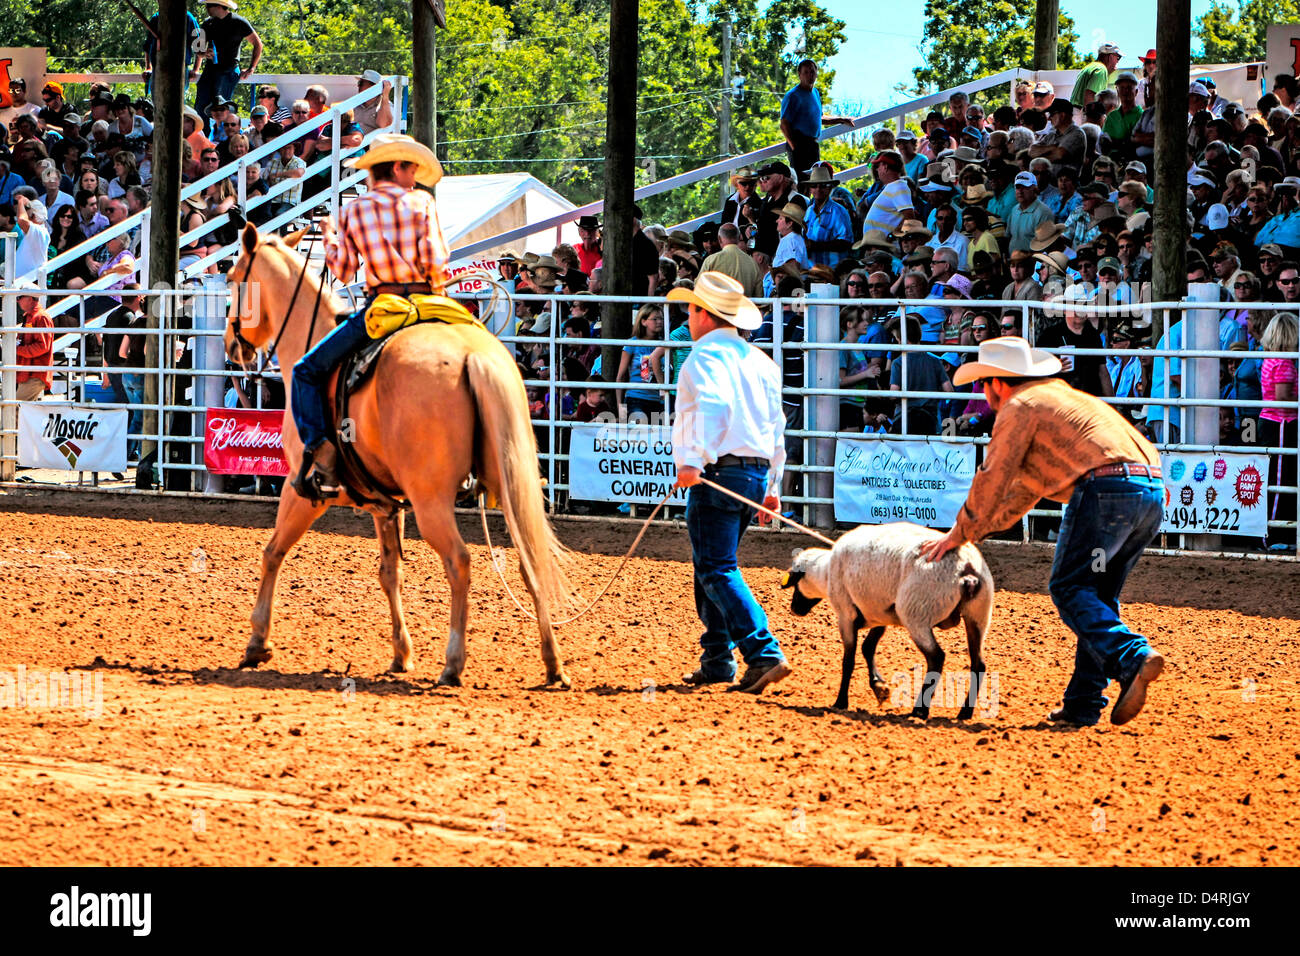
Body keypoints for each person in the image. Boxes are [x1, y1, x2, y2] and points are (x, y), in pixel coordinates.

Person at [922, 336, 1166, 727]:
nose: (982, 394)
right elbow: (1020, 493)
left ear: (998, 383)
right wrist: (972, 532)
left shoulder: (1020, 407)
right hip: (1147, 489)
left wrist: (959, 533)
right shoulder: (1060, 399)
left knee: (1069, 588)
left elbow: (993, 476)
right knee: (1097, 595)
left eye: (983, 383)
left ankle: (1132, 656)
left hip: (1102, 491)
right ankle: (1084, 702)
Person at [290, 134, 449, 499]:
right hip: (431, 305)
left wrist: (330, 236)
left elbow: (344, 271)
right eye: (411, 169)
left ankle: (324, 454)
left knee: (306, 371)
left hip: (385, 309)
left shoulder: (356, 210)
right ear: (397, 167)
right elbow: (439, 266)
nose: (415, 177)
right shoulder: (423, 202)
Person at [666, 272, 791, 694]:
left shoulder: (703, 358)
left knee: (717, 568)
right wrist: (773, 484)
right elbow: (776, 426)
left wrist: (691, 460)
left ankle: (763, 652)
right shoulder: (761, 362)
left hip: (718, 471)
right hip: (753, 474)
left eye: (691, 309)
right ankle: (717, 660)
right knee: (713, 564)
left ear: (704, 314)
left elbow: (713, 406)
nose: (688, 315)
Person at [1258, 312, 1298, 549]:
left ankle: (1277, 533)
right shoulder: (1283, 362)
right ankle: (1274, 535)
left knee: (1280, 477)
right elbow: (1283, 398)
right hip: (1281, 423)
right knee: (1281, 477)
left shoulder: (1272, 358)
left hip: (1275, 422)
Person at [194, 0, 263, 136]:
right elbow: (198, 49)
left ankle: (224, 140)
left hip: (229, 70)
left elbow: (257, 43)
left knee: (222, 108)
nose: (206, 8)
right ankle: (204, 138)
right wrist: (203, 53)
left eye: (209, 5)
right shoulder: (207, 24)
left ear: (219, 6)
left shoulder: (239, 22)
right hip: (210, 70)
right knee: (200, 106)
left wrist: (251, 68)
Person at [779, 59, 854, 176]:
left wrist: (841, 120)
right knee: (802, 179)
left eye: (812, 72)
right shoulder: (793, 95)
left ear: (816, 73)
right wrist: (795, 147)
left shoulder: (815, 93)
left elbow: (818, 118)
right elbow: (784, 124)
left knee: (814, 178)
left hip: (813, 143)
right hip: (799, 142)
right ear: (799, 75)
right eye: (806, 72)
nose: (810, 75)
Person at [14, 281, 54, 402]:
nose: (17, 301)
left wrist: (16, 349)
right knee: (22, 409)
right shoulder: (33, 317)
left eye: (19, 297)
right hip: (30, 373)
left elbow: (42, 346)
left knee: (17, 408)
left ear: (30, 299)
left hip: (34, 374)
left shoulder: (40, 317)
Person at [1071, 43, 1122, 109]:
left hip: (1075, 111)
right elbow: (1090, 96)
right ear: (1110, 57)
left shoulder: (1091, 67)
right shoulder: (1101, 70)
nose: (1117, 62)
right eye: (1118, 58)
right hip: (1082, 113)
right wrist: (1090, 117)